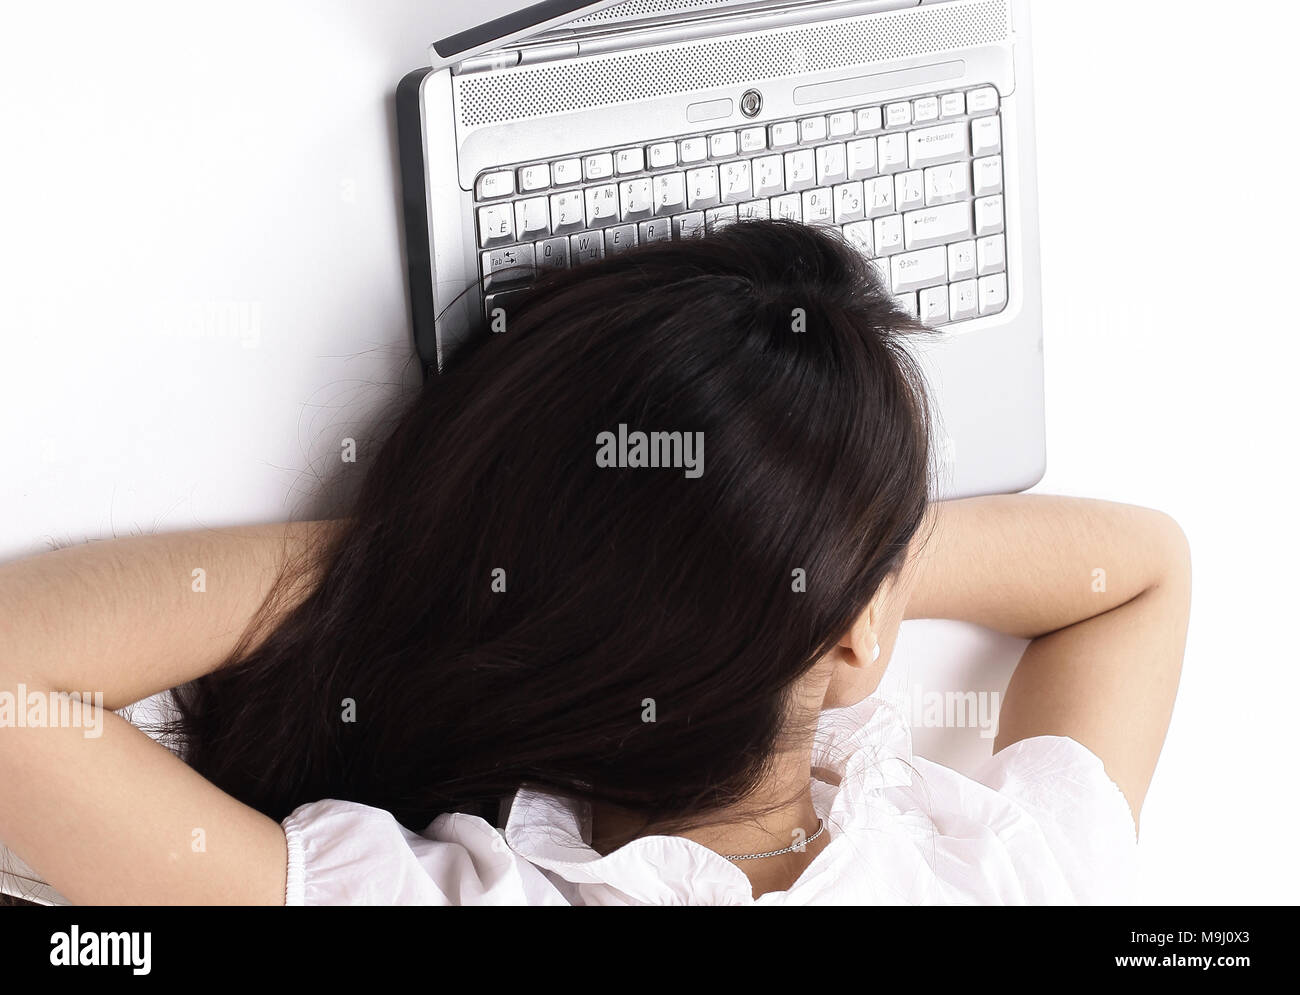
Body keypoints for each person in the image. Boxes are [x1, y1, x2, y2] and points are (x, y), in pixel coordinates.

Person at [0, 220, 1190, 905]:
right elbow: (1140, 571)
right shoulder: (1019, 878)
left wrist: (455, 551)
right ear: (851, 634)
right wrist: (796, 570)